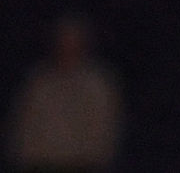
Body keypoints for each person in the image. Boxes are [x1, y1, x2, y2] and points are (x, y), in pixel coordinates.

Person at [7, 18, 120, 173]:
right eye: (63, 41)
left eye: (73, 42)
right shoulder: (40, 81)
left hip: (83, 164)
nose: (67, 47)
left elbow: (104, 130)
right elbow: (26, 124)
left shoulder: (97, 85)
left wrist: (93, 158)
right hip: (43, 164)